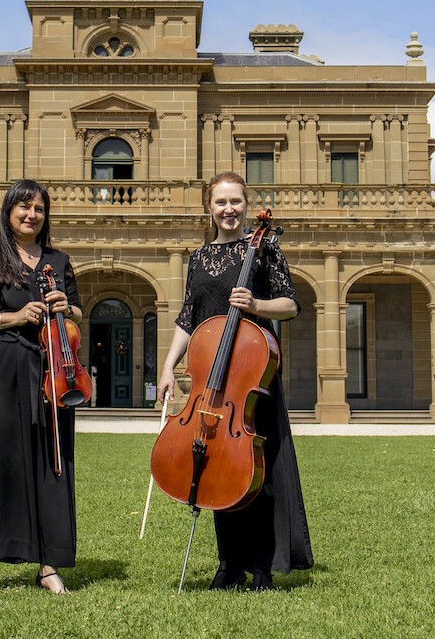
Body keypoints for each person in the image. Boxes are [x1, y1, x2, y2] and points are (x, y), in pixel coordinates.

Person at [156, 171, 314, 592]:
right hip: (212, 382)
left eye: (236, 202)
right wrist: (169, 366)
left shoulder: (264, 248)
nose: (229, 209)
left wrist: (257, 303)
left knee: (256, 474)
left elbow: (291, 305)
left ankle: (261, 566)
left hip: (252, 377)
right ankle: (229, 565)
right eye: (220, 202)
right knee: (214, 470)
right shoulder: (200, 257)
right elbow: (189, 317)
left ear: (247, 204)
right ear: (210, 207)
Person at [0, 179, 81, 596]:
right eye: (24, 207)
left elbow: (78, 310)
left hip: (52, 369)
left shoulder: (59, 261)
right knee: (0, 462)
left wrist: (68, 306)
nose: (31, 215)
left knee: (52, 462)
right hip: (4, 368)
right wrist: (13, 317)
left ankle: (48, 565)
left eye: (39, 209)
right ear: (9, 212)